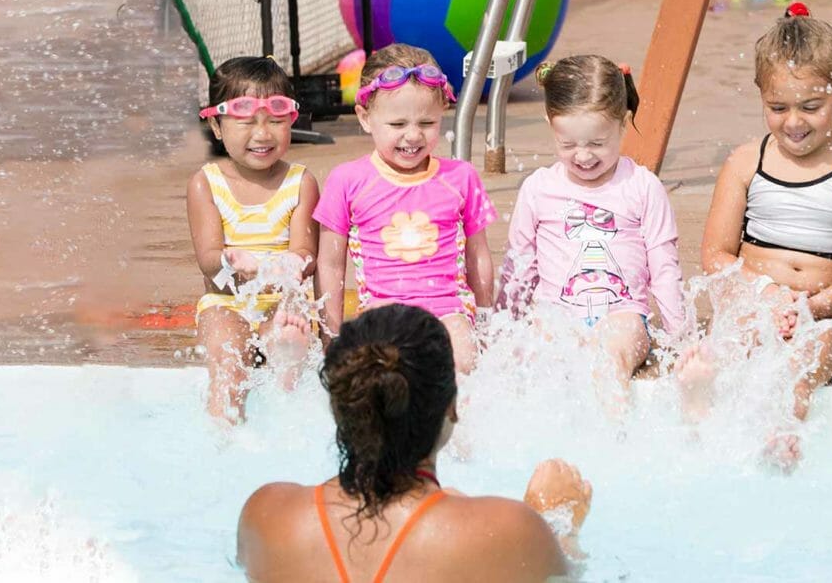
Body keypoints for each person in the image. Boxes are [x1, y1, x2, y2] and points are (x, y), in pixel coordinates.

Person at [676, 2, 832, 464]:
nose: (793, 122)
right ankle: (697, 412)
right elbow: (715, 254)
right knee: (726, 354)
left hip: (822, 316)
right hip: (753, 302)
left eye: (811, 107)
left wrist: (809, 307)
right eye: (777, 108)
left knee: (800, 366)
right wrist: (765, 295)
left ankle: (781, 436)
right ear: (761, 98)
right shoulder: (744, 162)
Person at [237, 304, 592, 582]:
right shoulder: (507, 530)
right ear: (451, 407)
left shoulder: (266, 515)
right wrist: (559, 522)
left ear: (339, 408)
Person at [497, 54, 687, 388]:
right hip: (555, 313)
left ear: (622, 123)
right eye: (567, 144)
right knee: (540, 366)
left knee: (612, 364)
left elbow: (664, 268)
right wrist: (501, 330)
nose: (583, 156)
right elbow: (519, 267)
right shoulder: (539, 189)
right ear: (550, 122)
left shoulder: (642, 187)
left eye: (598, 143)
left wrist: (680, 337)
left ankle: (611, 437)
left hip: (623, 315)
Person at [314, 44, 497, 373]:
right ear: (365, 118)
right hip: (382, 310)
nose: (413, 136)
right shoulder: (348, 180)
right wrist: (331, 335)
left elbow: (478, 254)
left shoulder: (460, 177)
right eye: (397, 124)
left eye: (427, 122)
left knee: (462, 362)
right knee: (382, 374)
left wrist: (484, 321)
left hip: (449, 309)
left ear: (443, 112)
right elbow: (329, 264)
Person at [187, 56, 320, 425]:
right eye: (246, 122)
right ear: (215, 125)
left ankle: (287, 363)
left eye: (276, 121)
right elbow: (208, 260)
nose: (262, 134)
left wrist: (288, 264)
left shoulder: (301, 182)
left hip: (283, 302)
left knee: (287, 339)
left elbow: (305, 254)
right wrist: (230, 261)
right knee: (228, 363)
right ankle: (224, 441)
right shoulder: (206, 183)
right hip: (226, 303)